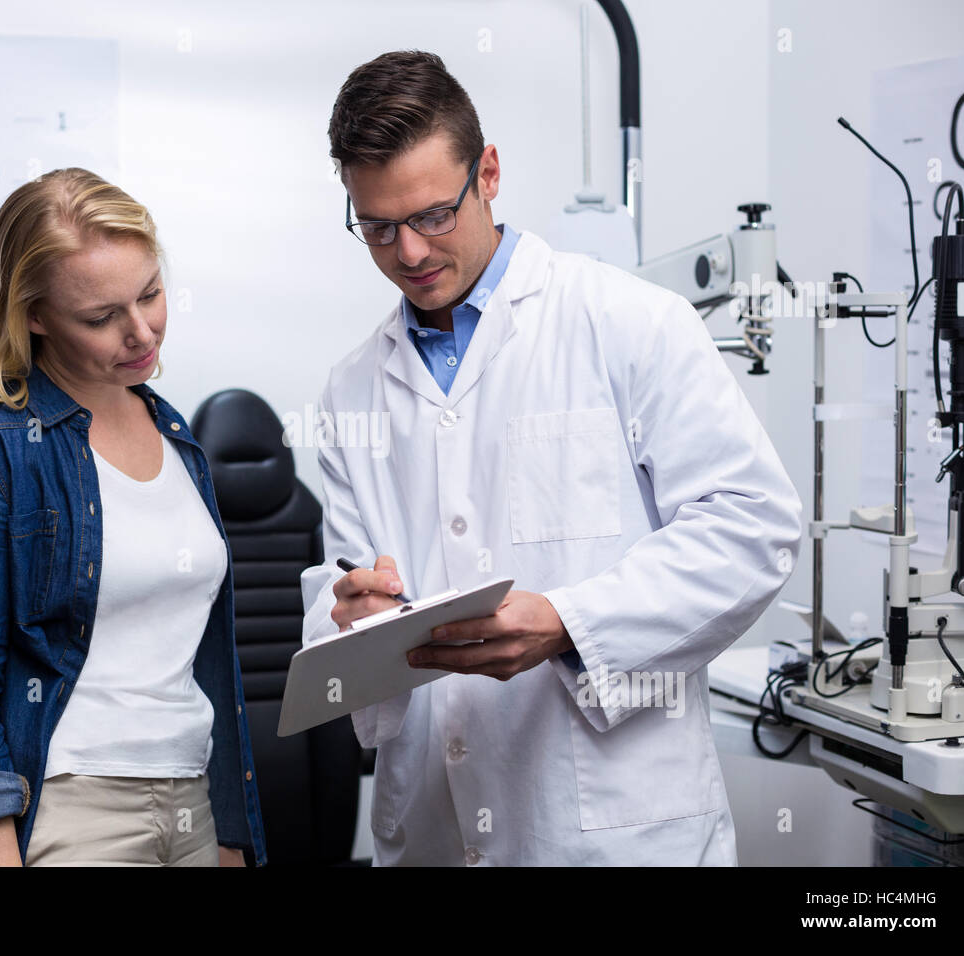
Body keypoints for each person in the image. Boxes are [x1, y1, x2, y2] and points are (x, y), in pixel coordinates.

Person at [299, 51, 803, 866]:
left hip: (612, 828)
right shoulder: (353, 387)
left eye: (432, 215)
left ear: (488, 172)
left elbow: (753, 526)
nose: (410, 253)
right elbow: (343, 586)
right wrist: (345, 614)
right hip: (433, 823)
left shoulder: (631, 322)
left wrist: (570, 623)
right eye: (378, 227)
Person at [0, 167, 267, 867]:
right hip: (72, 813)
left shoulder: (177, 437)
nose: (140, 333)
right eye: (102, 318)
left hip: (194, 798)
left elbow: (203, 661)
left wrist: (230, 831)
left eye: (151, 295)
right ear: (34, 314)